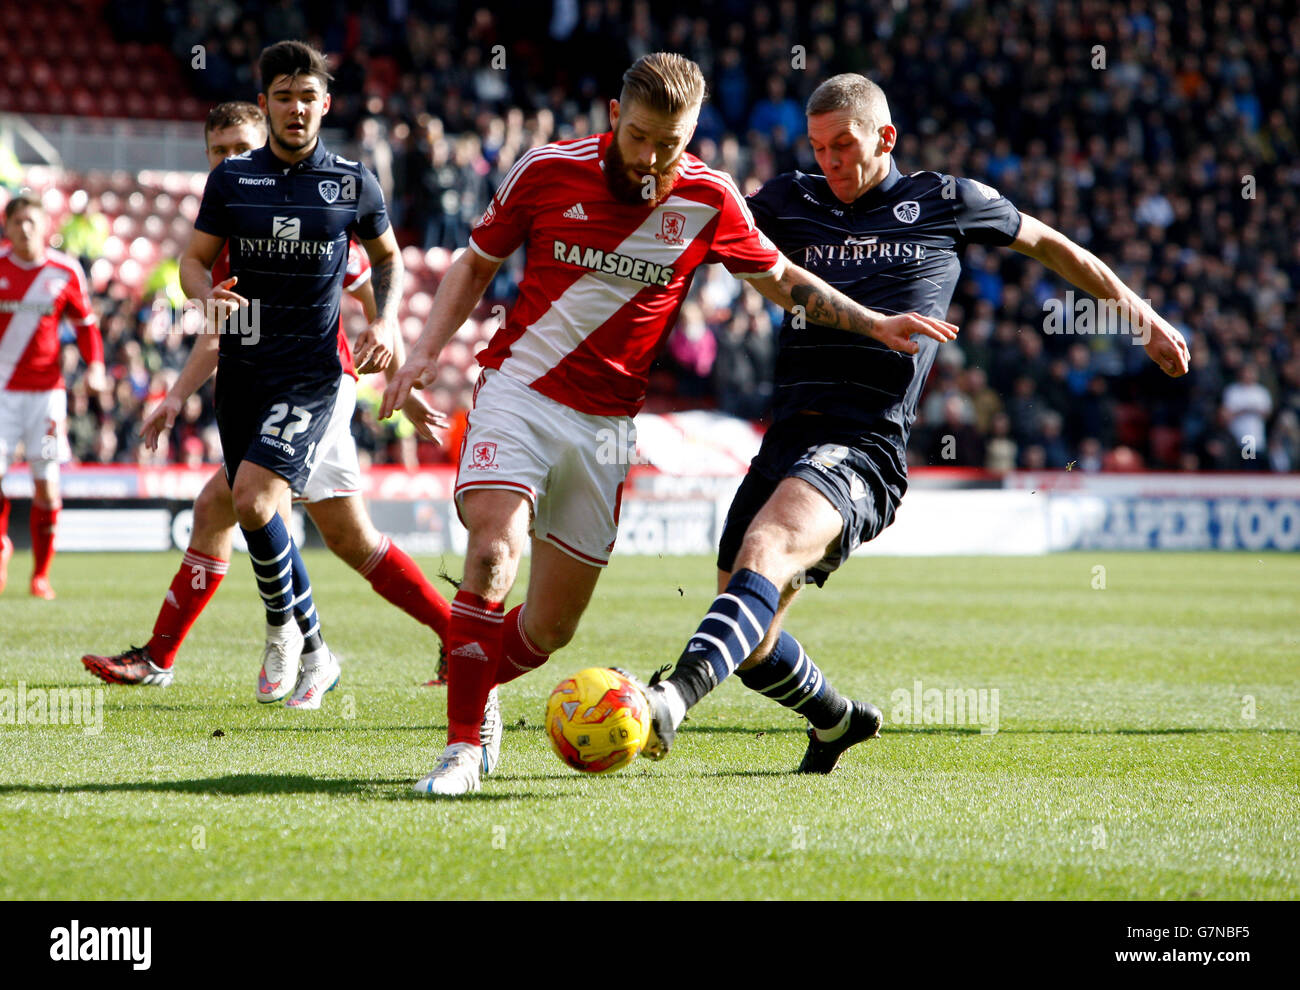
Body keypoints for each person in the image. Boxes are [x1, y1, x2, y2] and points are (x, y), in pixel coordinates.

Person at [380, 53, 956, 796]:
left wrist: (873, 322)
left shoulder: (709, 197)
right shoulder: (546, 170)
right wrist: (426, 350)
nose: (651, 160)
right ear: (615, 118)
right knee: (494, 552)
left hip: (608, 426)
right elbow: (476, 264)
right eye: (640, 137)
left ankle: (475, 673)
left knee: (550, 629)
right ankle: (461, 750)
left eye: (671, 144)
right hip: (518, 390)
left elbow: (780, 279)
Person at [638, 73, 1191, 770]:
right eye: (818, 148)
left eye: (844, 145)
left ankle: (669, 700)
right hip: (787, 436)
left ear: (885, 137)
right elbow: (697, 228)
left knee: (768, 549)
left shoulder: (945, 200)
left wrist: (1145, 320)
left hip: (865, 443)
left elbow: (1053, 246)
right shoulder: (787, 200)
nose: (830, 161)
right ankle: (836, 720)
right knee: (746, 639)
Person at [81, 101, 464, 717]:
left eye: (240, 148)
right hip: (270, 388)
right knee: (344, 536)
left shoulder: (313, 209)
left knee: (247, 504)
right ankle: (454, 634)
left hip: (319, 387)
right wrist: (176, 397)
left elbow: (372, 301)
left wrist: (405, 389)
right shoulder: (226, 227)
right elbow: (218, 333)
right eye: (217, 152)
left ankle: (281, 651)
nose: (229, 161)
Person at [0, 193, 106, 599]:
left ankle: (40, 575)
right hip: (3, 394)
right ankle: (3, 545)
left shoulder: (65, 271)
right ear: (7, 228)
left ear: (44, 225)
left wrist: (95, 366)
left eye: (32, 221)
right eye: (17, 222)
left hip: (46, 398)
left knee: (46, 484)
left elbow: (85, 325)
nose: (25, 228)